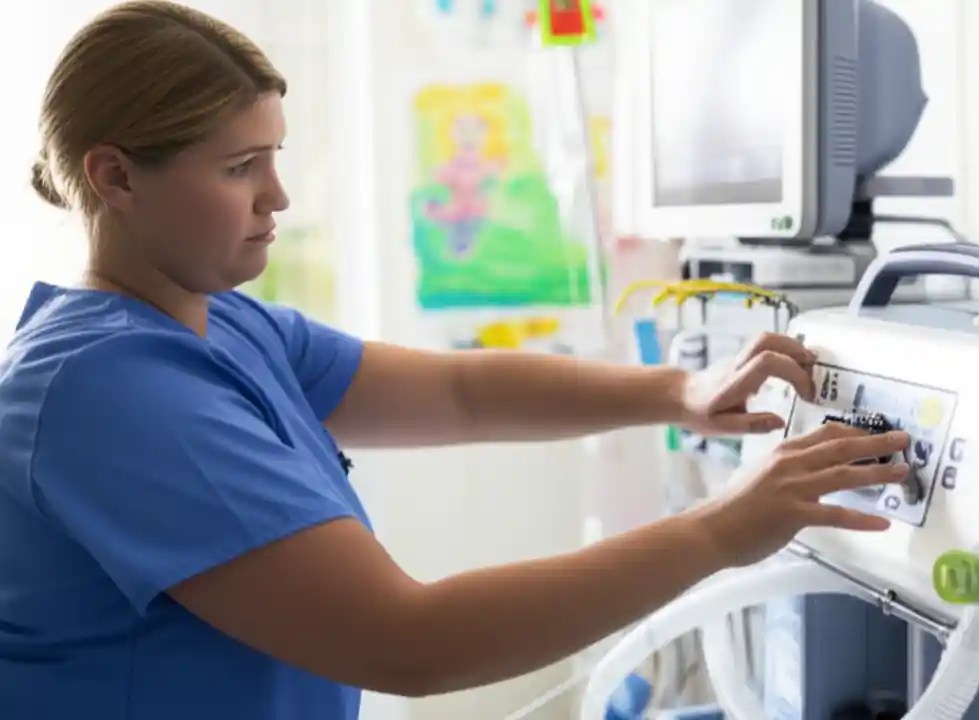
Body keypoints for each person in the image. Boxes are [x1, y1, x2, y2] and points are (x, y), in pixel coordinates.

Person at [0, 2, 910, 719]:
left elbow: (463, 392)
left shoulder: (224, 324)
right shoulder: (108, 393)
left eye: (274, 156)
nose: (277, 196)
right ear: (116, 177)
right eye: (240, 167)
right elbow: (410, 644)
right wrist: (720, 532)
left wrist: (681, 391)